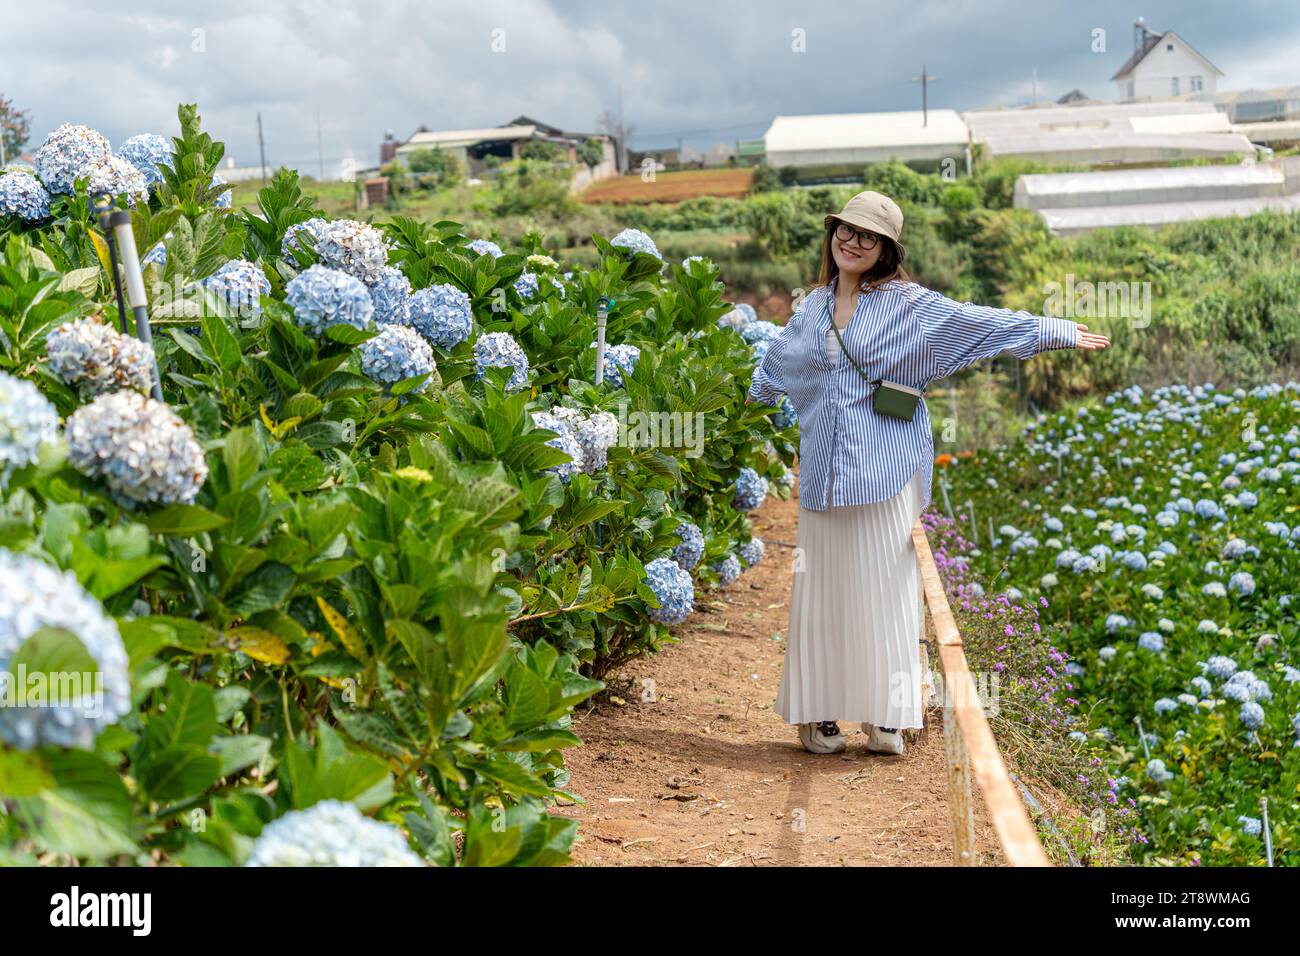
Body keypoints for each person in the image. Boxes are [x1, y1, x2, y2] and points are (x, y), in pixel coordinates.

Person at [746, 190, 1110, 756]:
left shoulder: (911, 305)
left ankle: (886, 717)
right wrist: (748, 399)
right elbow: (779, 363)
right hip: (823, 470)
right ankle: (819, 715)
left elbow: (978, 323)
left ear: (886, 249)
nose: (853, 242)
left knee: (887, 592)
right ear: (833, 233)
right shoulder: (812, 306)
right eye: (846, 230)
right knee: (823, 594)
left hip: (884, 470)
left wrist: (1051, 330)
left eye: (868, 236)